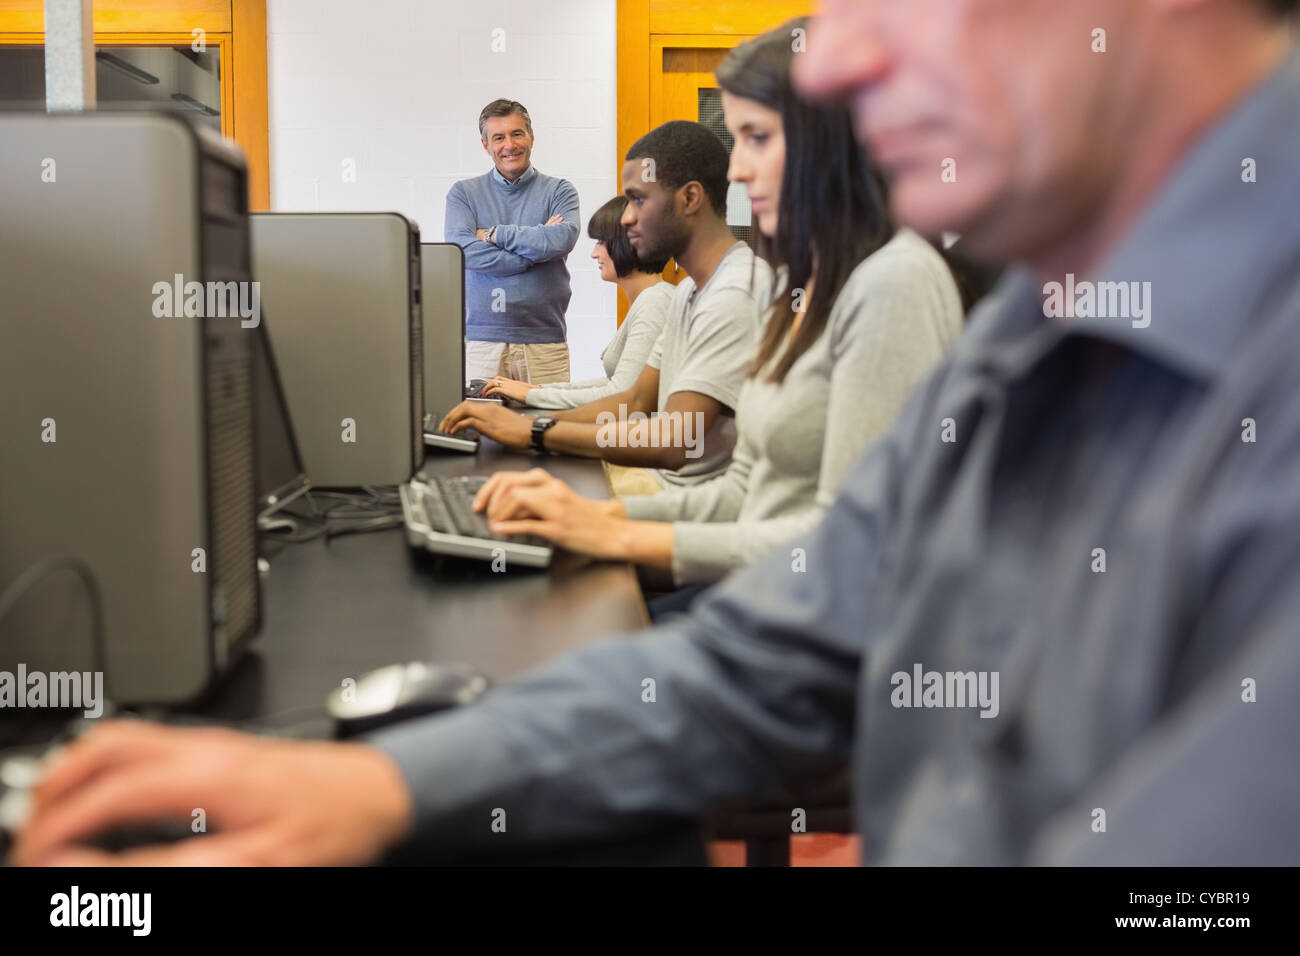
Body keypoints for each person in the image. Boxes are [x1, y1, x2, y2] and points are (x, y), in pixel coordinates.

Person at [15, 0, 1300, 867]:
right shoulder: (1032, 324)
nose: (840, 64)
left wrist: (609, 515)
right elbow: (774, 644)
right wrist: (386, 784)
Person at [472, 21, 963, 618]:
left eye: (757, 138)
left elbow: (849, 547)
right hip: (755, 592)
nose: (737, 170)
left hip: (805, 628)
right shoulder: (792, 288)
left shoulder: (893, 282)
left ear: (827, 142)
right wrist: (598, 519)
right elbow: (741, 494)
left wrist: (612, 531)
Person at [438, 121, 773, 495]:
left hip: (680, 493)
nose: (626, 218)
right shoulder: (685, 294)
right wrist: (524, 418)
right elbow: (633, 399)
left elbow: (674, 442)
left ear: (690, 199)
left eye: (638, 199)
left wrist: (533, 429)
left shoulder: (735, 290)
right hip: (664, 483)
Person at [481, 196, 674, 409]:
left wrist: (531, 396)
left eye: (601, 243)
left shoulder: (654, 302)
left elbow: (622, 394)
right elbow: (614, 383)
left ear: (632, 242)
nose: (594, 253)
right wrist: (535, 391)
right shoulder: (650, 299)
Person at [446, 98, 580, 386]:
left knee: (546, 429)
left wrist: (493, 234)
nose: (509, 145)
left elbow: (562, 238)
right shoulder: (463, 194)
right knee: (480, 429)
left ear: (531, 137)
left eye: (517, 134)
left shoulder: (560, 191)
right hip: (482, 343)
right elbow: (462, 251)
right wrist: (533, 253)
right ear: (485, 145)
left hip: (545, 342)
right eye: (498, 137)